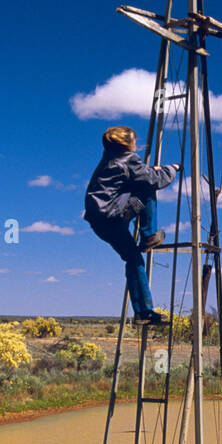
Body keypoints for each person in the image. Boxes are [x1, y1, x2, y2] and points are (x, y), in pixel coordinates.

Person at [84, 125, 180, 325]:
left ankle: (143, 313)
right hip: (117, 216)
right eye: (134, 141)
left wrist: (149, 171)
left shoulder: (109, 158)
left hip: (101, 224)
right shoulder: (129, 159)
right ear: (127, 144)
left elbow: (130, 177)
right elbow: (154, 180)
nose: (137, 144)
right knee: (147, 189)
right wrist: (173, 168)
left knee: (133, 258)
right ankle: (149, 235)